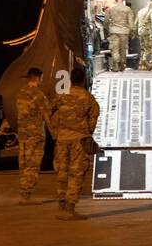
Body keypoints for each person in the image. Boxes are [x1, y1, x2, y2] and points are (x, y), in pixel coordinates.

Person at [48, 64, 100, 220]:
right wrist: (88, 131)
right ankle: (70, 209)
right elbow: (94, 114)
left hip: (62, 139)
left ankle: (61, 205)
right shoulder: (87, 97)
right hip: (79, 139)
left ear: (70, 79)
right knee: (76, 173)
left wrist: (56, 131)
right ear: (83, 80)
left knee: (62, 171)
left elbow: (49, 111)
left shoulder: (61, 95)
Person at [15, 65, 50, 204]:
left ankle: (24, 193)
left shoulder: (21, 92)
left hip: (23, 135)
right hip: (35, 136)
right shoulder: (38, 95)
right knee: (33, 165)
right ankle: (26, 195)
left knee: (24, 164)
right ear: (38, 78)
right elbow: (47, 115)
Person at [105, 0, 134, 72]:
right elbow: (131, 23)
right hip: (124, 32)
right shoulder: (128, 9)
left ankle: (115, 65)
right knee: (123, 49)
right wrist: (132, 32)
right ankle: (122, 65)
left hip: (114, 31)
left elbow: (106, 21)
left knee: (115, 49)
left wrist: (108, 29)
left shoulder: (111, 9)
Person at [136, 2, 152, 70]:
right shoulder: (151, 11)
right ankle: (146, 63)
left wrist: (135, 32)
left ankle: (141, 65)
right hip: (147, 32)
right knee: (148, 49)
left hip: (140, 31)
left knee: (143, 48)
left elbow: (136, 22)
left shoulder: (140, 11)